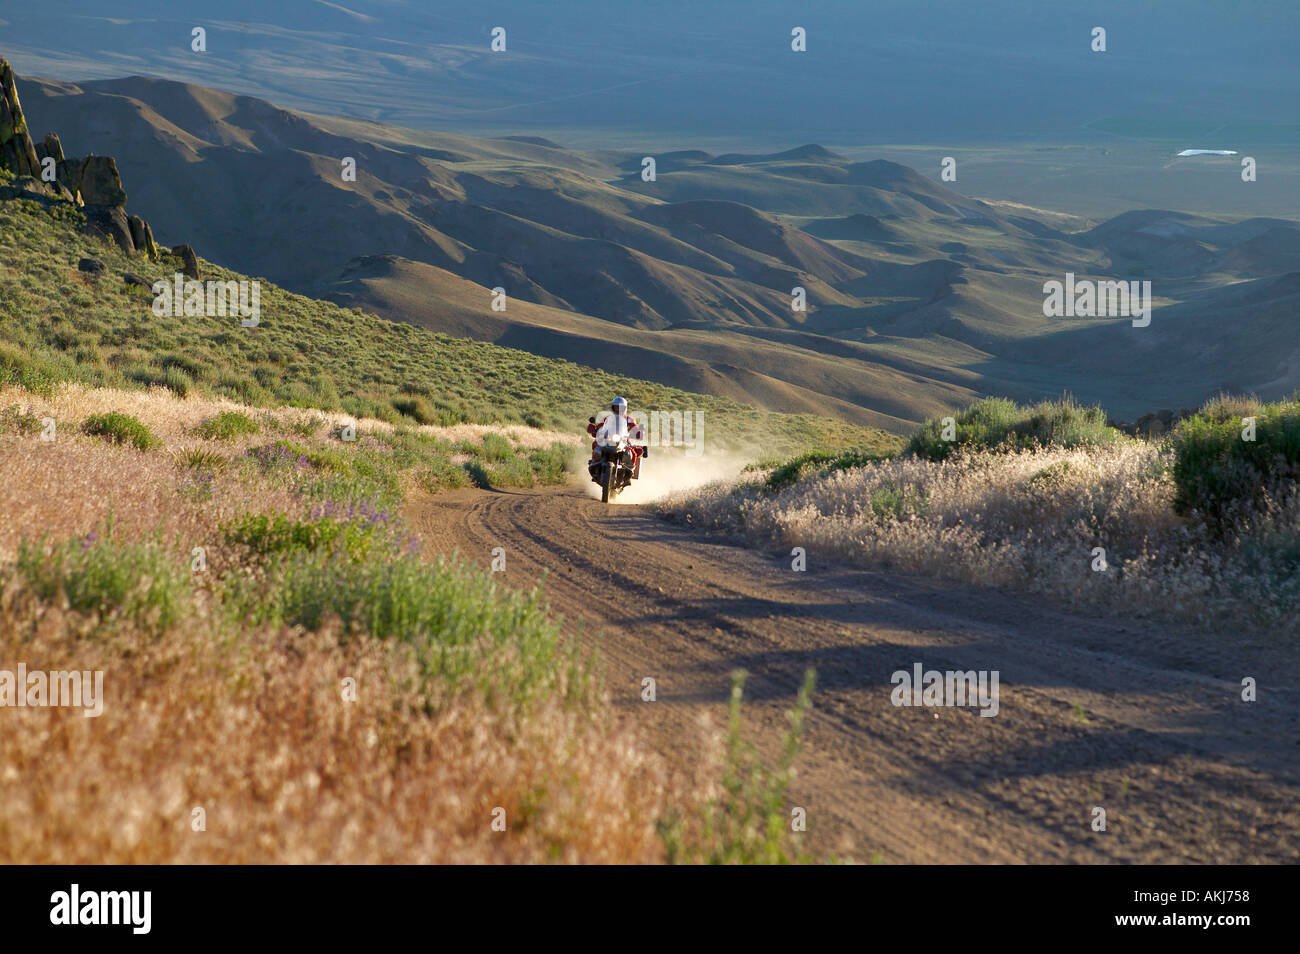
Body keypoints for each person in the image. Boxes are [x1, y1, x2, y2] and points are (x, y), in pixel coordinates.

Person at [587, 396, 646, 478]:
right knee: (595, 444)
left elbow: (635, 427)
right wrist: (596, 430)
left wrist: (637, 432)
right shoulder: (607, 418)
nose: (618, 409)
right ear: (613, 408)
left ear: (624, 408)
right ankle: (594, 462)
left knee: (633, 452)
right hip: (608, 439)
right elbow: (601, 427)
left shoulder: (629, 419)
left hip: (623, 441)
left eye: (620, 407)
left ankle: (630, 469)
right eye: (616, 407)